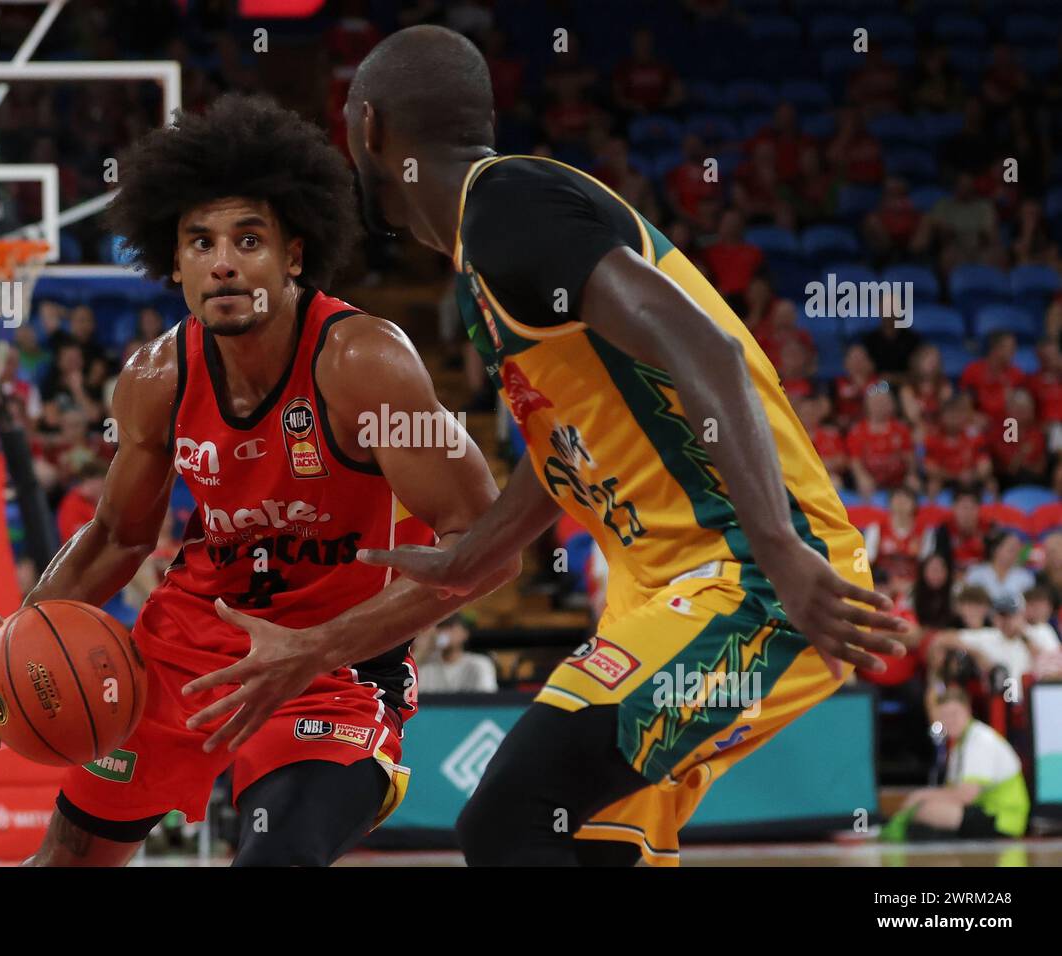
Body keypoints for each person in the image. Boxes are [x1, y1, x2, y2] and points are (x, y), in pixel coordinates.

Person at [188, 27, 907, 868]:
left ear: (371, 128)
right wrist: (471, 555)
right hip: (662, 592)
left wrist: (780, 554)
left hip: (746, 580)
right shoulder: (484, 256)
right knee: (589, 845)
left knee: (512, 818)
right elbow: (570, 442)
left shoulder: (509, 205)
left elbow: (706, 350)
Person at [0, 94, 509, 867]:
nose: (223, 261)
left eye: (248, 240)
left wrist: (311, 649)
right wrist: (18, 640)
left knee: (272, 859)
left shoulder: (364, 366)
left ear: (293, 254)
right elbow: (118, 537)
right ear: (174, 262)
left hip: (334, 665)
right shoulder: (156, 377)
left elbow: (488, 547)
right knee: (66, 860)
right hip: (185, 649)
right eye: (201, 241)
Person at [881, 687, 1028, 842]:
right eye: (944, 716)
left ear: (968, 710)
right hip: (985, 811)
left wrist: (921, 796)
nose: (950, 721)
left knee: (927, 811)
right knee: (924, 813)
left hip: (1003, 819)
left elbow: (966, 795)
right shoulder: (960, 743)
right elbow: (953, 790)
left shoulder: (980, 741)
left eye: (954, 714)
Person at [415, 615, 498, 693]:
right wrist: (423, 649)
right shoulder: (425, 664)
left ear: (465, 633)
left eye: (450, 627)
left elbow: (487, 700)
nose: (445, 632)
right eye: (440, 627)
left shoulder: (480, 664)